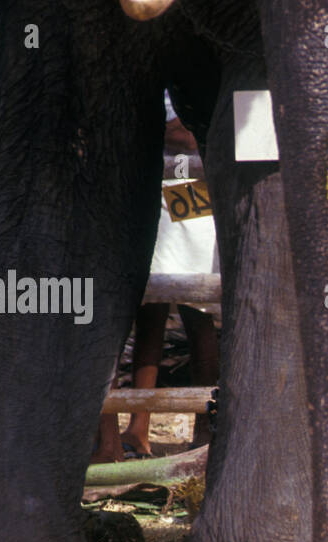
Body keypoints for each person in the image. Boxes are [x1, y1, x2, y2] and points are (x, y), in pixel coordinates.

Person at [93, 94, 220, 463]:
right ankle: (139, 428)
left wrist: (152, 127)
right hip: (156, 188)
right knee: (149, 309)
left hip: (193, 189)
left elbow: (190, 136)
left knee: (197, 309)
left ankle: (205, 426)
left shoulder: (189, 82)